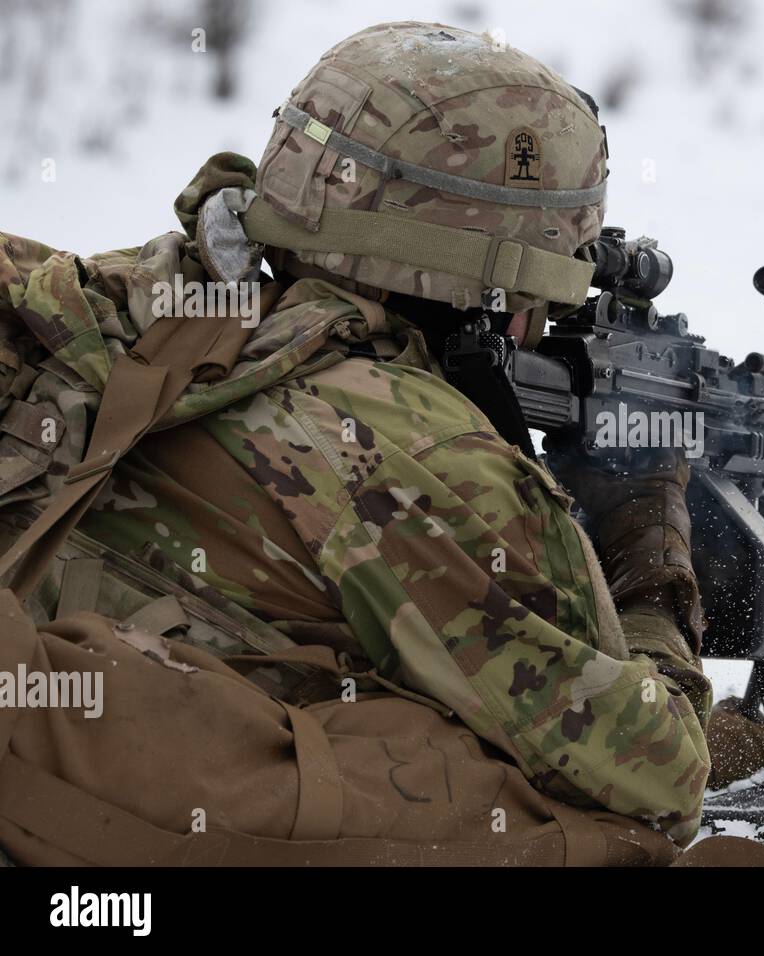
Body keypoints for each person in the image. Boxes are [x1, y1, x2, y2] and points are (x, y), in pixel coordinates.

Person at [65, 22, 713, 846]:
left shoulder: (149, 304)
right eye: (542, 304)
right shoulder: (433, 469)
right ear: (489, 290)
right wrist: (648, 557)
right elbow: (662, 777)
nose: (539, 327)